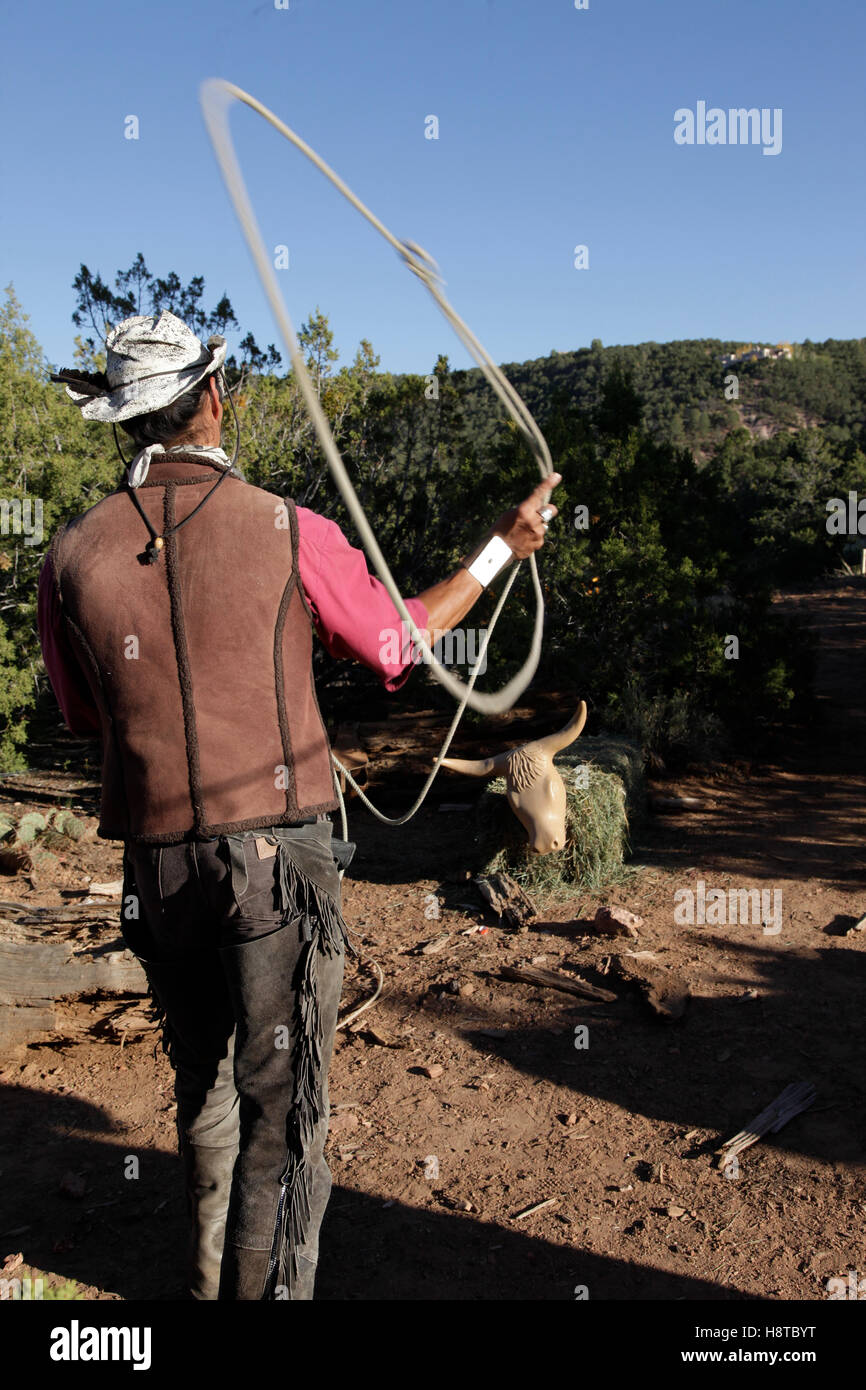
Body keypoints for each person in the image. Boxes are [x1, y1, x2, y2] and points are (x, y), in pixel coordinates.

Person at [37, 310, 560, 1300]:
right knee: (284, 1105)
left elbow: (81, 715)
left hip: (157, 868)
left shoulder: (66, 557)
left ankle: (202, 1278)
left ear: (121, 422)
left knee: (203, 1080)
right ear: (217, 397)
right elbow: (398, 649)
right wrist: (500, 549)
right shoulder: (288, 527)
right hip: (278, 870)